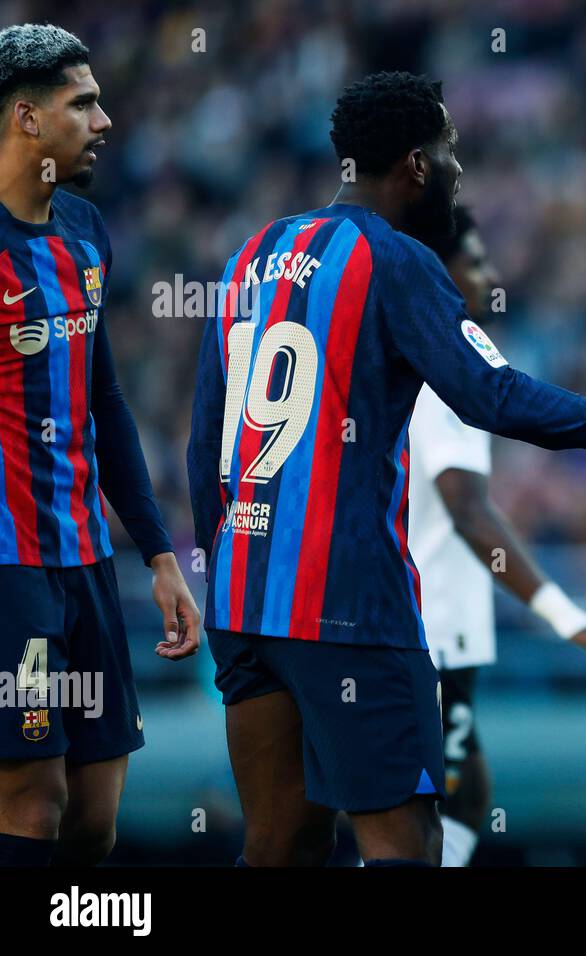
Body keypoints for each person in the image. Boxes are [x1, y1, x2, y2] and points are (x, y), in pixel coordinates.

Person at [187, 72, 586, 867]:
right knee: (405, 842)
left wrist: (222, 565)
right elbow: (492, 396)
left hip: (240, 601)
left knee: (278, 843)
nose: (457, 170)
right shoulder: (396, 259)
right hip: (347, 602)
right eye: (449, 152)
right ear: (415, 163)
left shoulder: (253, 254)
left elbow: (208, 441)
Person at [0, 23, 201, 868]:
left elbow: (104, 399)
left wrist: (157, 553)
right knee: (33, 801)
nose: (105, 119)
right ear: (26, 118)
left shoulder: (84, 230)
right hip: (10, 575)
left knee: (94, 817)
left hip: (87, 565)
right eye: (82, 103)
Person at [407, 206, 586, 867]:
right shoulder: (445, 352)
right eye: (477, 261)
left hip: (409, 619)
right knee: (436, 803)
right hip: (427, 627)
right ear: (444, 272)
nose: (490, 274)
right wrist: (563, 615)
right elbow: (468, 509)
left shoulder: (395, 346)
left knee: (451, 794)